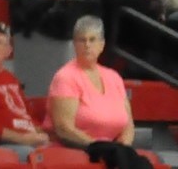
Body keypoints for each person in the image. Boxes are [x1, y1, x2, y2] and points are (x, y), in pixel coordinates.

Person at [50, 16, 137, 148]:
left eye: (92, 40)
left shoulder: (114, 77)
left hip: (112, 152)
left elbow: (128, 125)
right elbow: (64, 129)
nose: (87, 45)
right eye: (82, 40)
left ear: (102, 45)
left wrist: (123, 149)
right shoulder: (65, 77)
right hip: (75, 151)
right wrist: (101, 148)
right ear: (74, 44)